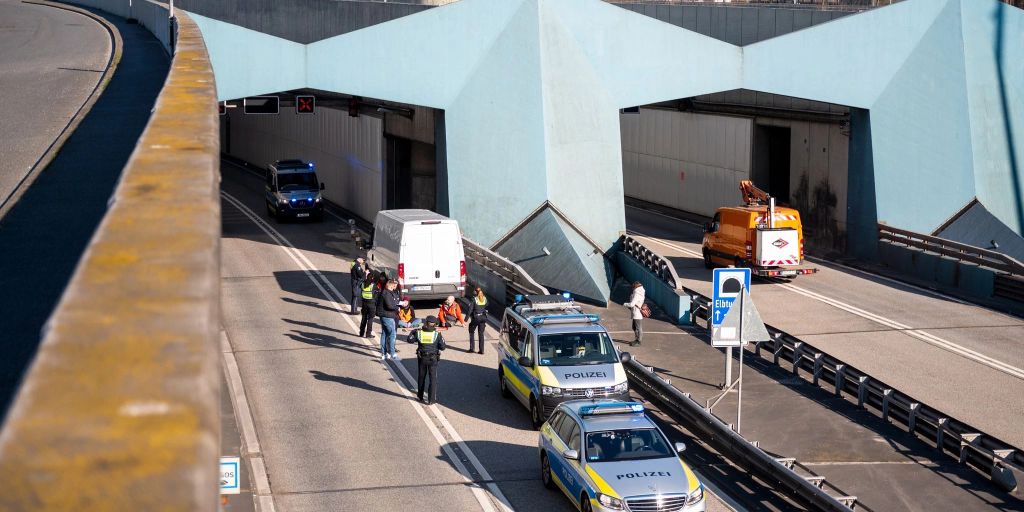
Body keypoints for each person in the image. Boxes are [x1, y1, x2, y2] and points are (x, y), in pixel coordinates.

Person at [407, 315, 446, 405]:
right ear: (434, 325)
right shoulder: (437, 334)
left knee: (421, 377)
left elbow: (410, 340)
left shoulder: (419, 333)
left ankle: (420, 396)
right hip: (433, 358)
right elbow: (443, 347)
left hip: (422, 358)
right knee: (433, 379)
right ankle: (431, 400)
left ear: (426, 323)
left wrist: (412, 332)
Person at [378, 279, 401, 360]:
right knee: (392, 334)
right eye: (394, 284)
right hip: (388, 316)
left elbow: (394, 301)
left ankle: (384, 353)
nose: (395, 286)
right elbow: (390, 306)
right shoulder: (386, 293)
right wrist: (397, 307)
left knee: (384, 334)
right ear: (391, 285)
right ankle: (392, 353)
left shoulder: (387, 292)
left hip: (385, 316)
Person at [466, 287, 488, 354]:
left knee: (471, 331)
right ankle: (481, 350)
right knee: (481, 333)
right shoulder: (485, 299)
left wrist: (466, 319)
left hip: (476, 318)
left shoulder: (474, 299)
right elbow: (487, 305)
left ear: (475, 293)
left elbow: (470, 310)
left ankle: (472, 349)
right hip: (483, 317)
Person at [624, 281, 646, 347]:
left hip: (637, 314)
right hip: (635, 313)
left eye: (633, 287)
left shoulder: (637, 293)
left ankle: (639, 341)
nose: (632, 288)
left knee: (638, 328)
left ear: (635, 286)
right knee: (634, 327)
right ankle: (636, 340)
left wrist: (625, 304)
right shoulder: (638, 292)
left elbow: (632, 304)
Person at [359, 270, 380, 338]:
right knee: (370, 319)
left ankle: (361, 332)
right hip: (371, 304)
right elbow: (377, 293)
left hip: (364, 303)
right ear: (372, 278)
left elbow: (360, 284)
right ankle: (368, 334)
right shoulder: (373, 285)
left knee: (364, 318)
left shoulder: (362, 284)